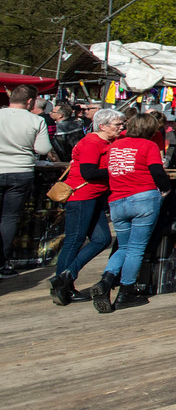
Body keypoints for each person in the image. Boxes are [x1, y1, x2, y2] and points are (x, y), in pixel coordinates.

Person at [89, 112, 172, 312]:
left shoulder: (115, 146)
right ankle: (125, 293)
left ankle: (106, 281)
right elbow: (157, 171)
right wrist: (166, 189)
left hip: (117, 200)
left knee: (123, 247)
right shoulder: (149, 146)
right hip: (143, 198)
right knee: (136, 248)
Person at [49, 108, 122, 304]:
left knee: (102, 239)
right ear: (103, 126)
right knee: (74, 240)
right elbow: (88, 172)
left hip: (94, 196)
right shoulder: (91, 143)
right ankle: (62, 287)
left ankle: (66, 276)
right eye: (117, 125)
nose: (120, 127)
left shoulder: (106, 141)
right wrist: (116, 170)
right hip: (82, 197)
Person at [0, 85, 53, 276]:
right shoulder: (36, 120)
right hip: (21, 171)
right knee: (9, 218)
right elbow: (43, 148)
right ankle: (2, 263)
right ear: (30, 101)